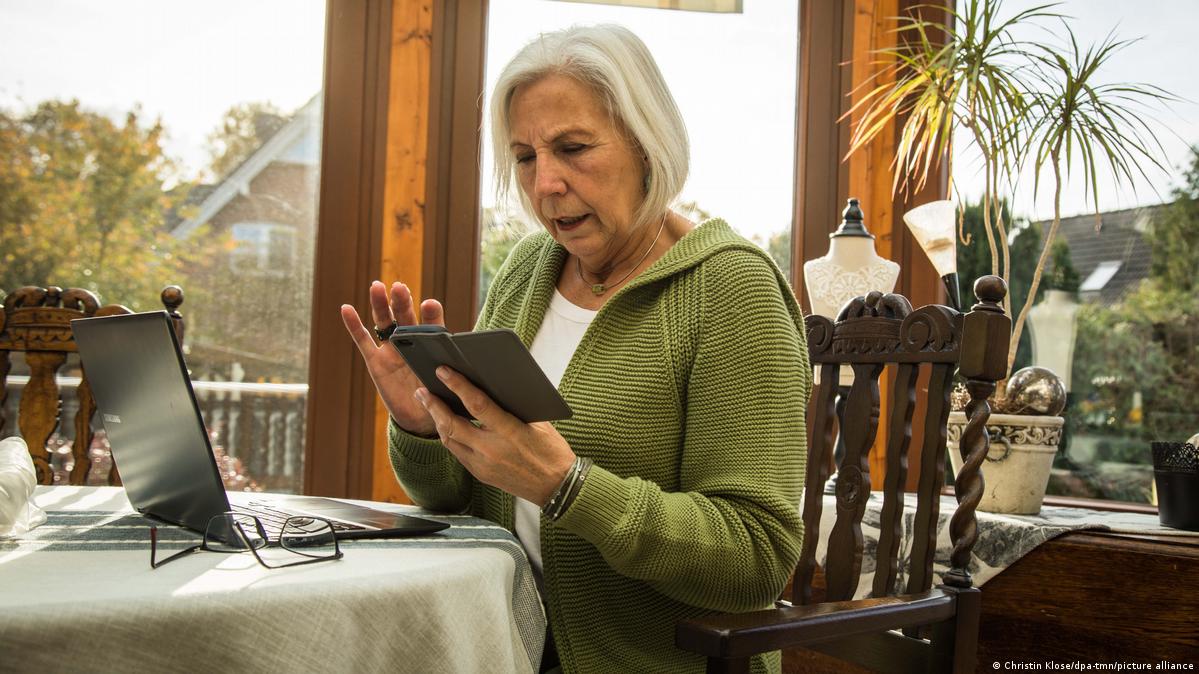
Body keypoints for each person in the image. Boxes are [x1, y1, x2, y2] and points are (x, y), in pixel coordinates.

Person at [341, 24, 810, 674]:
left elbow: (755, 561)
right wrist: (422, 425)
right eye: (526, 157)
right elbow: (456, 500)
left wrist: (568, 489)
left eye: (572, 147)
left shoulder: (731, 288)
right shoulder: (528, 267)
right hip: (496, 643)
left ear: (648, 143)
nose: (545, 184)